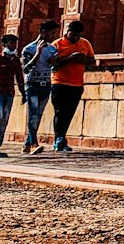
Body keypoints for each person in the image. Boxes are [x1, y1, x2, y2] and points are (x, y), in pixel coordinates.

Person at [49, 17, 97, 152]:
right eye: (73, 35)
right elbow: (52, 64)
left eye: (78, 35)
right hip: (59, 82)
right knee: (59, 111)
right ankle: (59, 139)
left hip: (76, 84)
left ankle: (61, 138)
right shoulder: (57, 44)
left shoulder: (85, 44)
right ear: (67, 32)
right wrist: (70, 59)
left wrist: (83, 60)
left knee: (69, 112)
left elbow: (92, 61)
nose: (75, 38)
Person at [19, 20, 58, 154]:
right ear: (43, 32)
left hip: (46, 84)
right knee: (33, 115)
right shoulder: (28, 49)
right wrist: (38, 53)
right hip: (32, 85)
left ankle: (27, 143)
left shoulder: (52, 49)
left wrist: (54, 63)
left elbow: (56, 67)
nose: (52, 36)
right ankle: (34, 144)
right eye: (51, 33)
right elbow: (26, 68)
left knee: (38, 115)